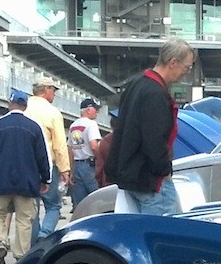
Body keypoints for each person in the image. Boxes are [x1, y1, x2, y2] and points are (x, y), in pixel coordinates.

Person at [106, 37, 196, 215]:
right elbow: (153, 139)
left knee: (142, 236)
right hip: (151, 180)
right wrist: (164, 169)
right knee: (160, 237)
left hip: (131, 175)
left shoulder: (136, 84)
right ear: (173, 62)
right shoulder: (155, 93)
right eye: (187, 67)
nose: (187, 72)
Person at [0, 89, 50, 264]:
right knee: (24, 218)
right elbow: (42, 156)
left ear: (10, 103)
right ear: (25, 105)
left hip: (0, 179)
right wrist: (45, 178)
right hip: (27, 181)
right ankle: (20, 255)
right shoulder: (34, 127)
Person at [24, 76, 71, 240]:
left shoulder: (24, 109)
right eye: (54, 90)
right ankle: (45, 234)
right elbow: (59, 144)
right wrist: (64, 169)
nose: (55, 94)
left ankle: (33, 244)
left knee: (32, 208)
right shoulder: (52, 112)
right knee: (53, 205)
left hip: (26, 166)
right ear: (46, 90)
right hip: (48, 166)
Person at [68, 97, 103, 209]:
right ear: (88, 110)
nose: (97, 112)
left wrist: (71, 170)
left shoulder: (73, 126)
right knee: (97, 199)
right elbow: (94, 145)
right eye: (95, 109)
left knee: (81, 203)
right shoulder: (91, 124)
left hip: (77, 165)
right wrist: (100, 159)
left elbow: (70, 149)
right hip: (90, 165)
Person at [94, 110, 118, 189]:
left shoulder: (105, 141)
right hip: (126, 187)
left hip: (107, 185)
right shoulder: (131, 141)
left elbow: (99, 168)